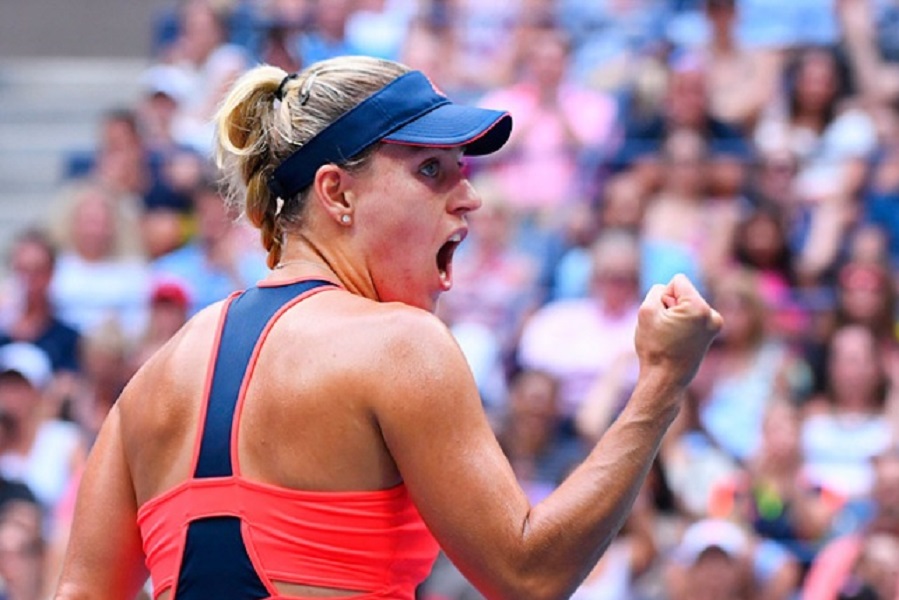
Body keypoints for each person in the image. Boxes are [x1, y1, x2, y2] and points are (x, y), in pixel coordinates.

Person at [54, 56, 722, 600]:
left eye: (461, 170)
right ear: (336, 193)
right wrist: (662, 382)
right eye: (431, 169)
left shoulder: (151, 381)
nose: (469, 196)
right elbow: (529, 576)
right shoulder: (400, 345)